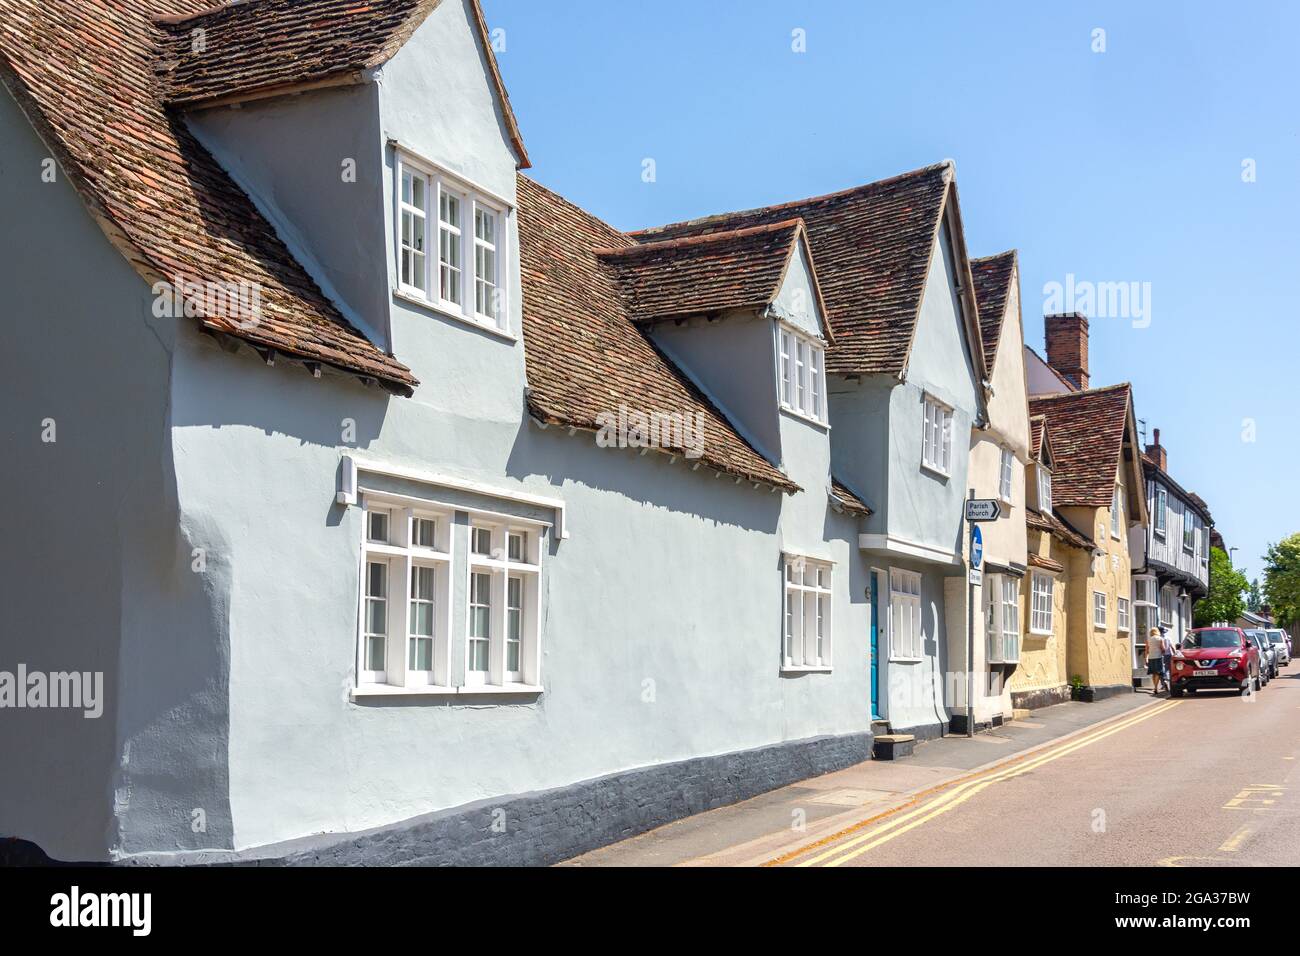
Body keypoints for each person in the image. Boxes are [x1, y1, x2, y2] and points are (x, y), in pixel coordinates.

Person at [1146, 627, 1167, 694]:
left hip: (1151, 658)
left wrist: (1146, 659)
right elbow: (1163, 648)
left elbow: (1146, 650)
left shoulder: (1148, 640)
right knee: (1158, 673)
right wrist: (1163, 652)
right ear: (1157, 632)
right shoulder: (1160, 639)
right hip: (1158, 657)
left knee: (1153, 673)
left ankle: (1155, 687)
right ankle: (1156, 688)